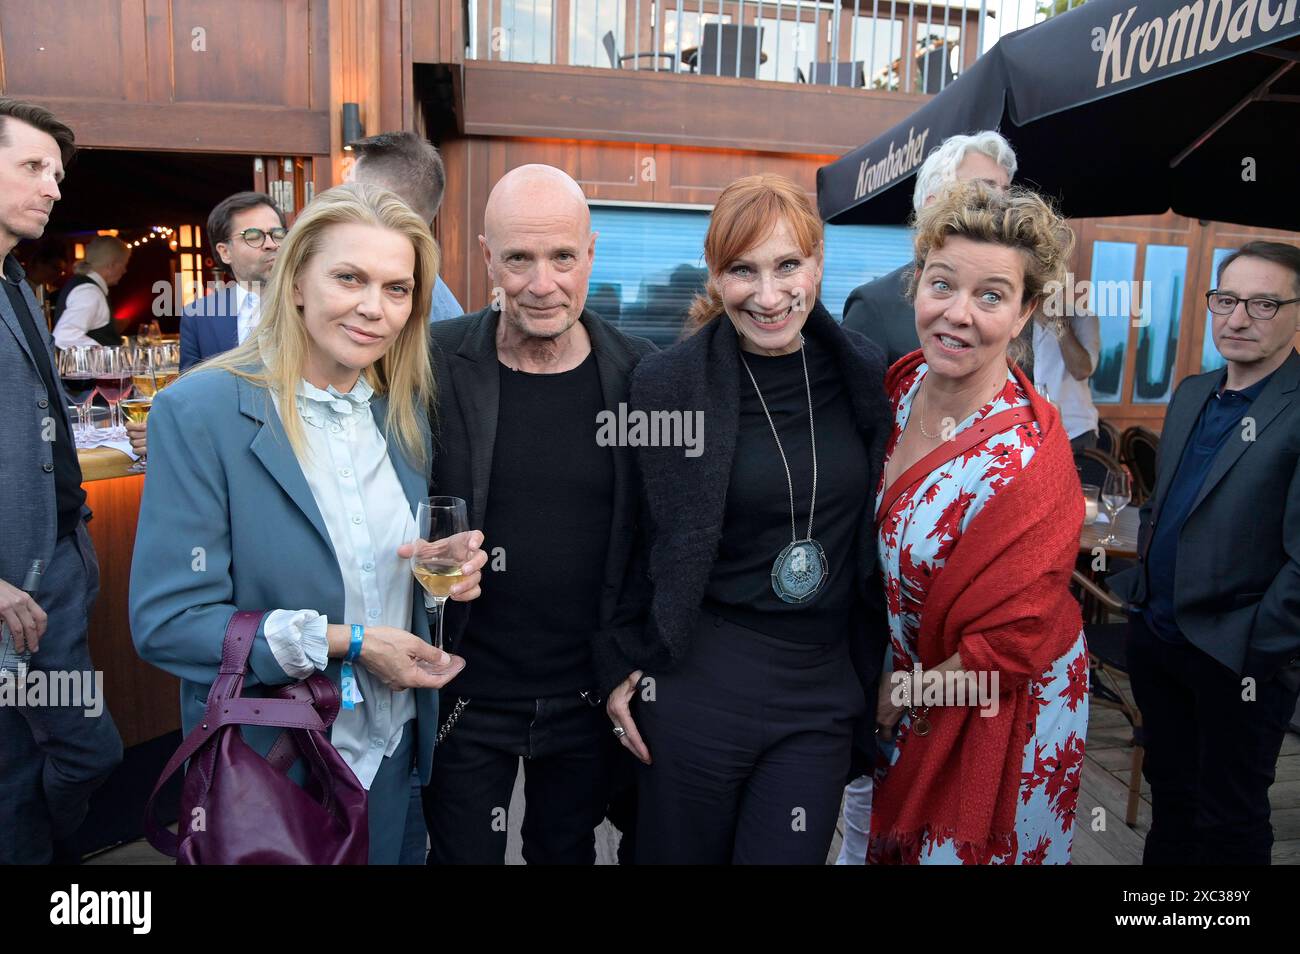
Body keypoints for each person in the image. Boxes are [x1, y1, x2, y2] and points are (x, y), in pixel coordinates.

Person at [129, 182, 488, 864]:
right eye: (348, 278)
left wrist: (438, 571)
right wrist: (348, 642)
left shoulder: (404, 412)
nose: (373, 308)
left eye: (397, 288)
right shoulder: (200, 412)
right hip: (272, 772)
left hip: (394, 756)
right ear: (295, 283)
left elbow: (365, 561)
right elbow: (167, 622)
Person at [600, 173, 892, 865]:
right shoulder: (669, 383)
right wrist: (614, 661)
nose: (768, 296)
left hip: (820, 691)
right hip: (702, 679)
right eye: (743, 271)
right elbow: (630, 534)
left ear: (818, 263)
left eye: (788, 265)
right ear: (716, 275)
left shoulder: (865, 371)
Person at [422, 164, 655, 865]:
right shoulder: (432, 362)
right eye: (519, 259)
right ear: (488, 258)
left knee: (567, 852)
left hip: (586, 695)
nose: (542, 283)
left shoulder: (641, 373)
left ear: (591, 252)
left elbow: (660, 534)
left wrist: (637, 658)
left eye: (561, 257)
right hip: (465, 690)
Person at [869, 181, 1087, 865]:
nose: (957, 314)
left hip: (1002, 705)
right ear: (916, 286)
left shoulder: (1026, 462)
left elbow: (1011, 649)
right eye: (942, 285)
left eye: (991, 296)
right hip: (911, 679)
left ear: (1024, 315)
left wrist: (898, 694)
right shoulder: (899, 389)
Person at [1109, 241, 1300, 866]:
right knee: (1174, 801)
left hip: (1237, 657)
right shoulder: (1193, 392)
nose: (1238, 318)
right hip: (1159, 639)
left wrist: (1254, 646)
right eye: (1226, 300)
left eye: (1264, 303)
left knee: (1229, 822)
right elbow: (1169, 509)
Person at [0, 97, 123, 864]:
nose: (53, 186)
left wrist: (74, 549)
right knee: (64, 760)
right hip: (10, 595)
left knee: (47, 761)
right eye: (32, 167)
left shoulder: (15, 281)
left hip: (53, 579)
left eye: (57, 171)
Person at [842, 131, 1016, 364]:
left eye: (1005, 191)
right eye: (985, 189)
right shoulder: (874, 305)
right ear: (933, 205)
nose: (1001, 204)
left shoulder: (1015, 299)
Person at [346, 131, 464, 322]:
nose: (338, 202)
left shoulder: (437, 321)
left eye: (349, 191)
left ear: (384, 205)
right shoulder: (449, 313)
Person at [178, 190, 286, 372]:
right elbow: (190, 392)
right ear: (225, 252)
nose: (271, 244)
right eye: (253, 236)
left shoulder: (313, 304)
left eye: (278, 234)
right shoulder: (198, 316)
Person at [1032, 304, 1102, 451]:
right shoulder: (1020, 319)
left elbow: (1081, 370)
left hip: (1074, 431)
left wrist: (1059, 323)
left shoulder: (1083, 318)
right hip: (1031, 431)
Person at [51, 236, 131, 349]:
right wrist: (108, 355)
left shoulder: (84, 285)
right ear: (111, 265)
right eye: (124, 264)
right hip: (95, 367)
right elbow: (64, 337)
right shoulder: (89, 292)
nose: (124, 270)